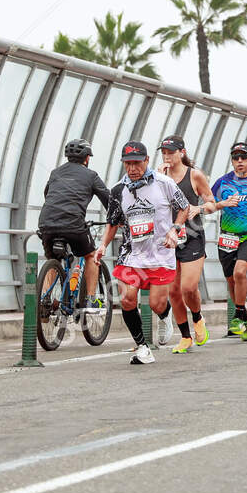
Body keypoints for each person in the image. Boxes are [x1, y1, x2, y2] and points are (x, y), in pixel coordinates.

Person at [95, 141, 191, 365]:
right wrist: (101, 246)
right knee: (128, 299)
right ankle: (142, 347)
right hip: (132, 254)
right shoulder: (118, 190)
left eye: (137, 163)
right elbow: (112, 221)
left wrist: (175, 229)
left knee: (157, 303)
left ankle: (164, 314)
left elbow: (184, 207)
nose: (132, 168)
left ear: (147, 161)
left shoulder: (164, 183)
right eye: (127, 164)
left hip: (160, 253)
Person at [158, 136, 219, 353]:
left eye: (170, 152)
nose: (166, 156)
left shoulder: (194, 175)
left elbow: (211, 202)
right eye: (163, 152)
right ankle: (185, 336)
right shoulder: (159, 176)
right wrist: (157, 178)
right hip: (168, 239)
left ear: (181, 153)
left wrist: (199, 209)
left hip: (191, 236)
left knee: (188, 287)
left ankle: (197, 317)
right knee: (173, 291)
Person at [37, 138, 111, 316]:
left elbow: (47, 194)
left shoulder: (55, 173)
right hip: (73, 225)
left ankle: (45, 299)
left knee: (53, 259)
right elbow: (108, 199)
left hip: (46, 223)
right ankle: (91, 300)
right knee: (91, 255)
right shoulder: (91, 175)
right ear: (87, 158)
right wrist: (117, 218)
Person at [212, 140, 247, 340]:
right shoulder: (222, 182)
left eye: (243, 157)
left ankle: (237, 315)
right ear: (232, 161)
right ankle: (244, 314)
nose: (239, 161)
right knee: (231, 280)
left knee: (239, 272)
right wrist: (222, 203)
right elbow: (208, 204)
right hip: (227, 237)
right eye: (235, 158)